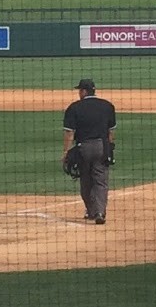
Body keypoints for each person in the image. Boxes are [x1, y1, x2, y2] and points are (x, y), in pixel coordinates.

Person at [63, 79, 115, 225]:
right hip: (101, 146)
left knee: (85, 181)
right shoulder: (107, 106)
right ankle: (100, 212)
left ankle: (91, 211)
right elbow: (111, 132)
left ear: (84, 92)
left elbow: (69, 133)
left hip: (83, 148)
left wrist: (66, 152)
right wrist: (109, 148)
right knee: (101, 181)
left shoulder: (74, 108)